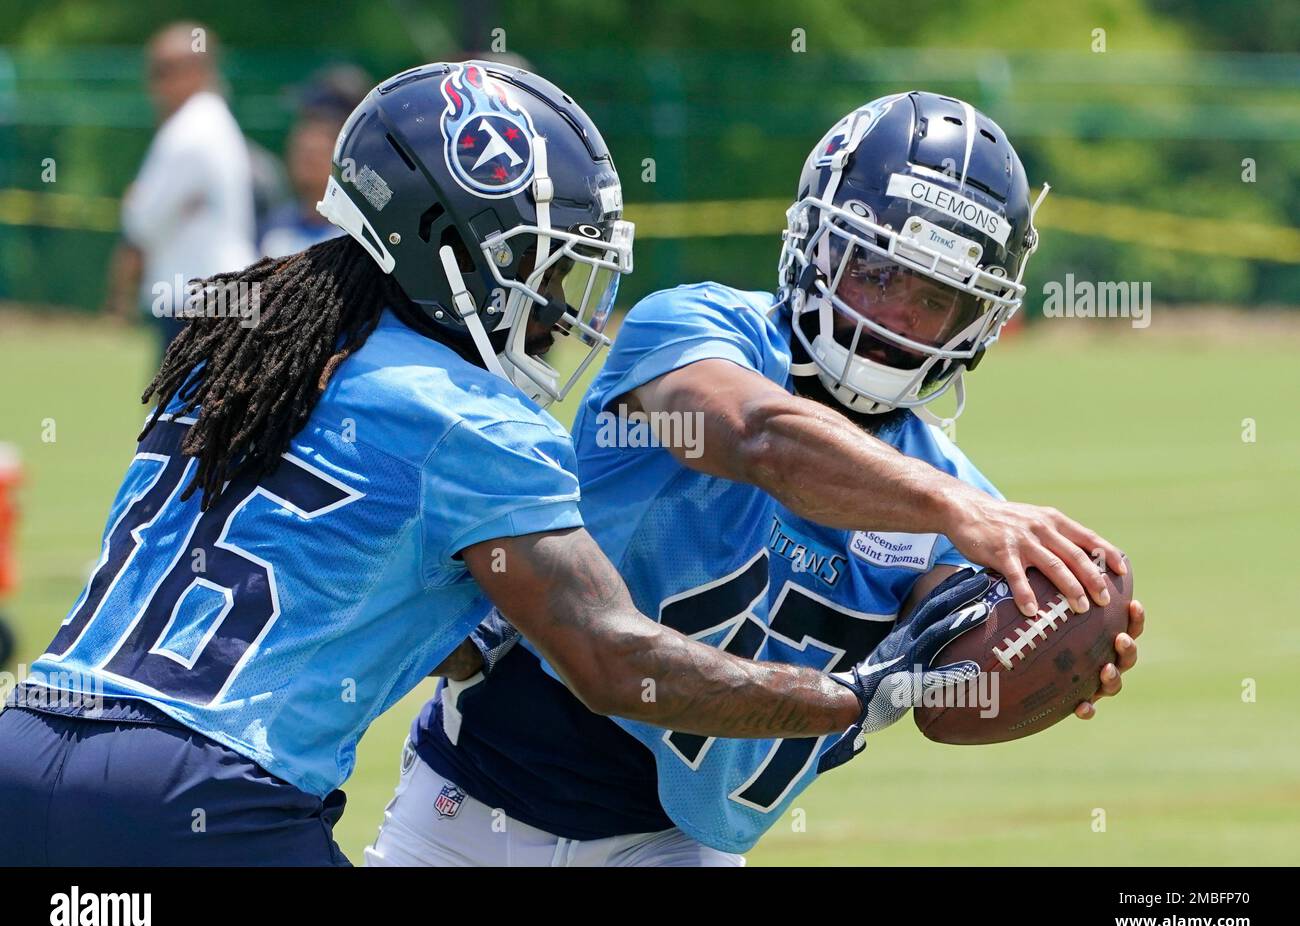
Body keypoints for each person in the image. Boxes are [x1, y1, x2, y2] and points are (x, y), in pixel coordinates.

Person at [0, 65, 972, 866]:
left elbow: (368, 598)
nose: (559, 309)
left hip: (28, 742)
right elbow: (617, 662)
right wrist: (848, 694)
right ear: (453, 250)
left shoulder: (232, 355)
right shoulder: (472, 422)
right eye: (544, 268)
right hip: (208, 801)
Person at [366, 91, 1144, 867]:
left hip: (676, 846)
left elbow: (945, 668)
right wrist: (955, 507)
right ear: (816, 243)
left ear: (975, 319)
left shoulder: (959, 501)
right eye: (876, 270)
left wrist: (1048, 647)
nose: (898, 318)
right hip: (473, 807)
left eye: (935, 298)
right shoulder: (694, 327)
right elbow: (754, 437)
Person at [106, 22, 256, 358]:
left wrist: (135, 200)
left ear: (196, 71)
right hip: (224, 293)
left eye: (163, 71)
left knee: (179, 409)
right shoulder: (213, 121)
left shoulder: (189, 131)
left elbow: (142, 220)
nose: (153, 84)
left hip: (197, 299)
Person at [259, 66, 373, 258]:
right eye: (307, 126)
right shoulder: (275, 227)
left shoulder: (374, 235)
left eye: (327, 134)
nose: (309, 142)